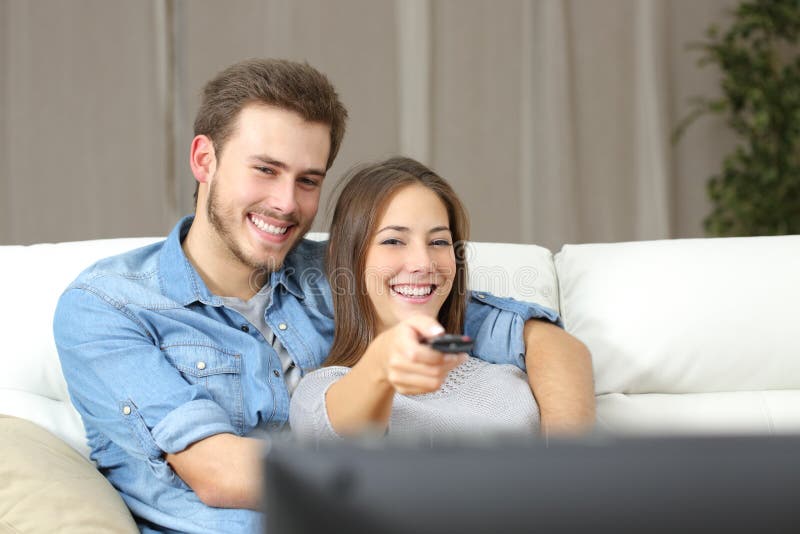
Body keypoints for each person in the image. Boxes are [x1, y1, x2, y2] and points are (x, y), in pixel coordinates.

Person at [53, 59, 594, 533]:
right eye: (265, 170)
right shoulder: (110, 305)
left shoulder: (340, 270)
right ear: (204, 160)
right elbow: (218, 474)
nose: (286, 203)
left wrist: (562, 484)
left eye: (308, 180)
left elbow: (536, 340)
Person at [291, 157, 562, 442]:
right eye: (393, 241)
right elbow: (333, 433)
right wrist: (382, 363)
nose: (423, 263)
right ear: (343, 258)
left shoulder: (508, 379)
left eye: (438, 242)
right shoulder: (318, 395)